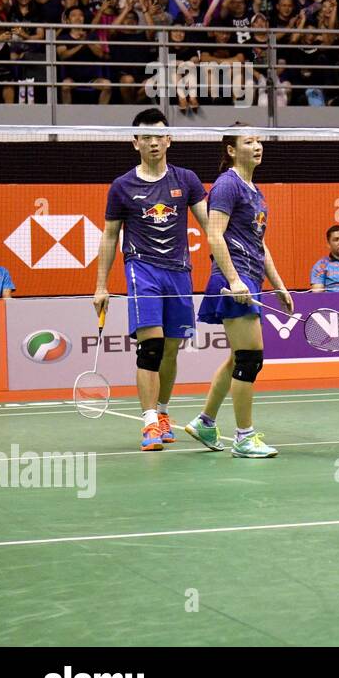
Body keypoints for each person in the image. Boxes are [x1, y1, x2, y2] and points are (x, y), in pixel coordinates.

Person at [93, 109, 209, 452]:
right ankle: (148, 424)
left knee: (172, 349)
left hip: (179, 272)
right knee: (151, 347)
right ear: (135, 143)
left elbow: (210, 228)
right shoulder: (122, 186)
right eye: (146, 137)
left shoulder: (186, 180)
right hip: (141, 269)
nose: (154, 142)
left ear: (169, 139)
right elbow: (109, 236)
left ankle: (162, 412)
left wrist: (230, 269)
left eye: (160, 135)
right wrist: (101, 285)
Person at [184, 131, 293, 458]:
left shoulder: (256, 192)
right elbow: (214, 234)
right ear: (231, 150)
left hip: (249, 277)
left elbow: (259, 244)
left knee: (237, 357)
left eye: (259, 140)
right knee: (250, 358)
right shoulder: (227, 185)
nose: (257, 145)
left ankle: (205, 422)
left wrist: (278, 283)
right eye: (248, 142)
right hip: (234, 279)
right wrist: (234, 279)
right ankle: (244, 438)